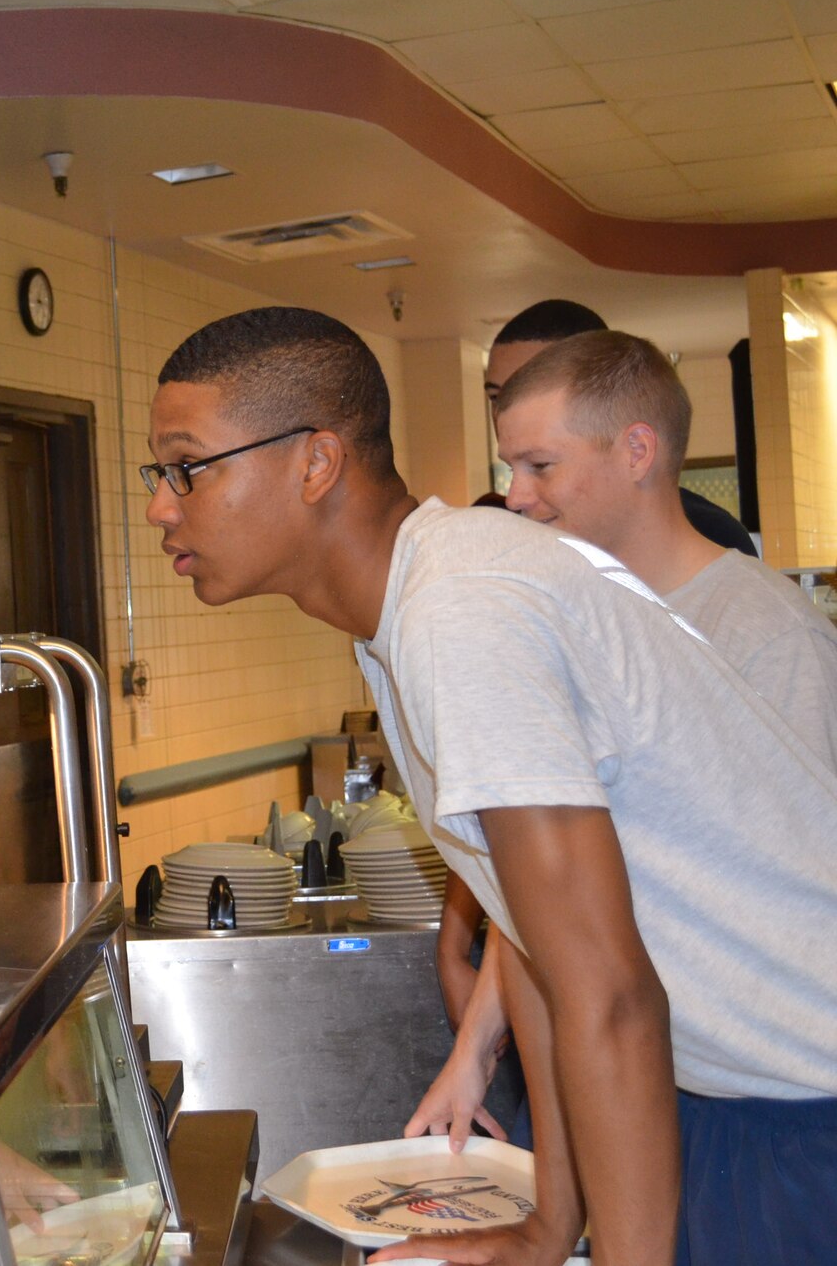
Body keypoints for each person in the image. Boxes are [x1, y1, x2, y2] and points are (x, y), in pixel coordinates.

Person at [144, 306, 837, 1266]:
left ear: (315, 462)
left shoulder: (459, 608)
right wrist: (550, 1225)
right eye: (158, 475)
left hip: (806, 1115)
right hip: (754, 1099)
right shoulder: (415, 610)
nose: (162, 506)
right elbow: (545, 956)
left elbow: (611, 996)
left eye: (188, 467)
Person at [409, 328, 837, 1155]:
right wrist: (477, 1045)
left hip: (769, 1100)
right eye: (510, 468)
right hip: (646, 1066)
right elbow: (558, 881)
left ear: (638, 451)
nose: (516, 496)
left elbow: (805, 894)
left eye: (540, 466)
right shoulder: (582, 621)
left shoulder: (768, 635)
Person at [484, 300, 755, 556]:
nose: (507, 412)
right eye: (496, 397)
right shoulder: (509, 536)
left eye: (533, 386)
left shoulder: (711, 536)